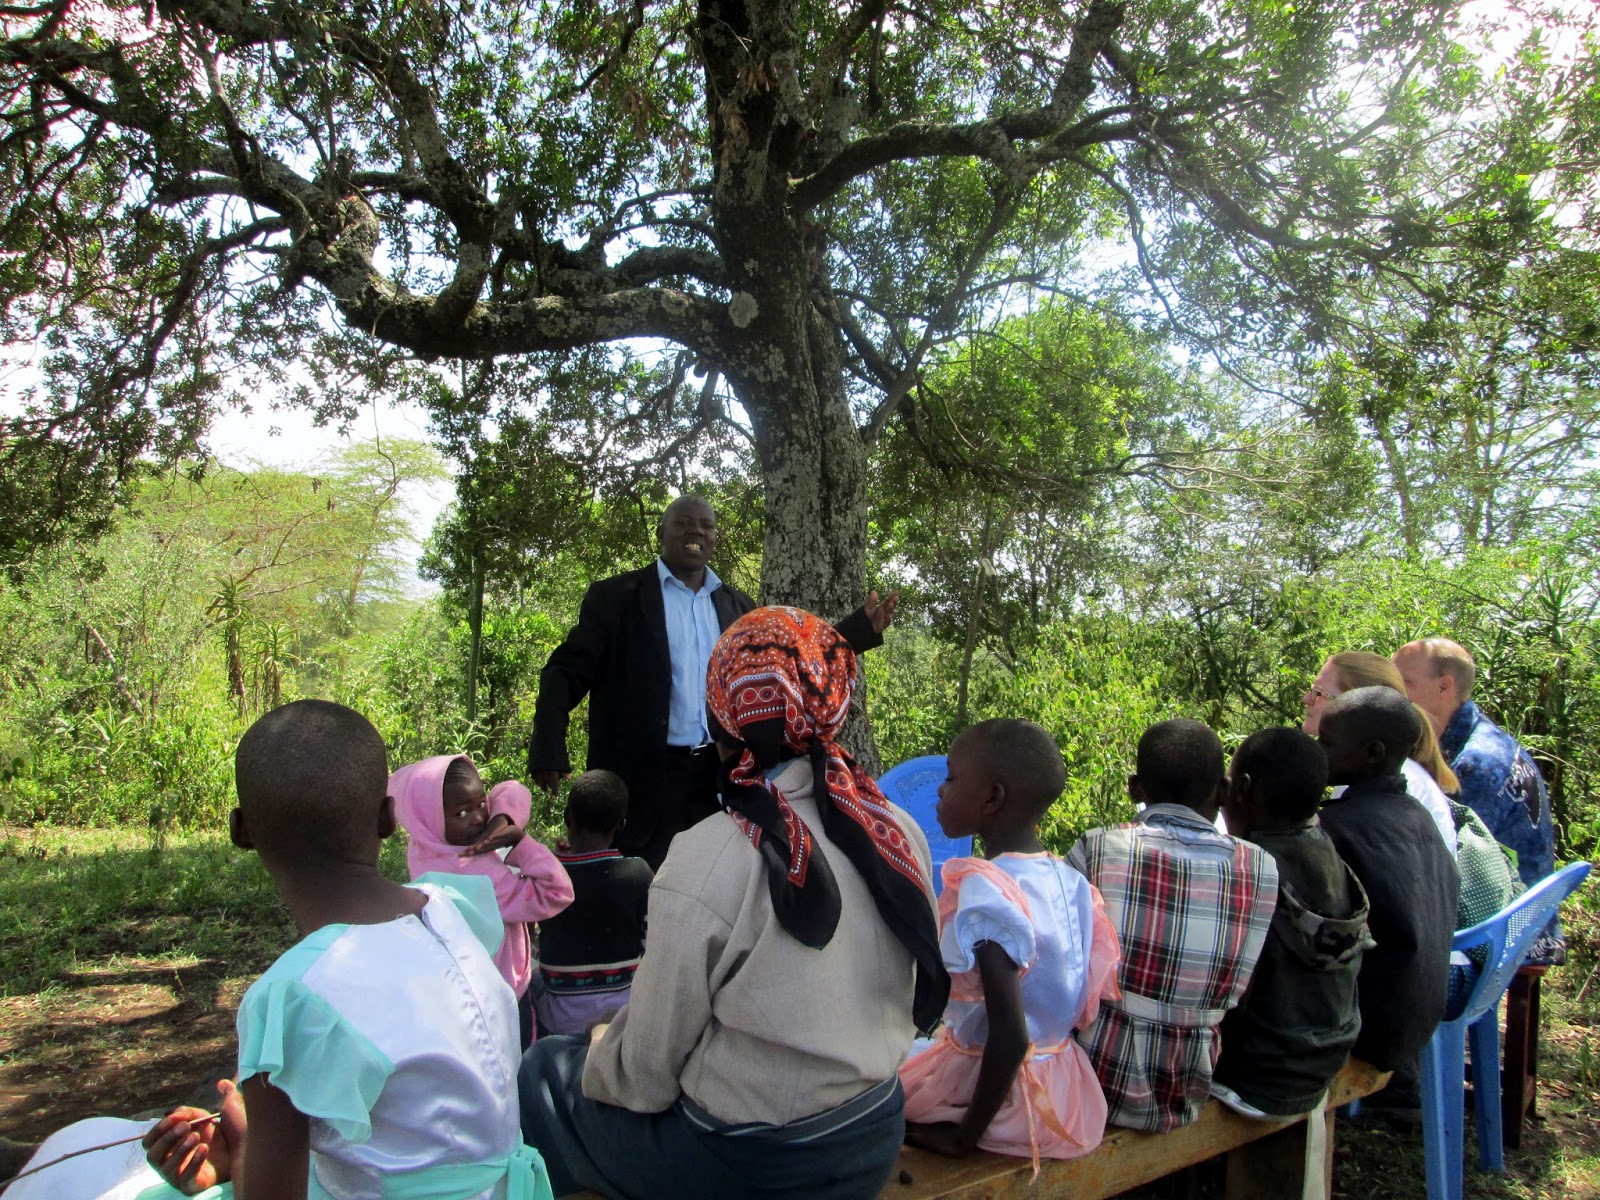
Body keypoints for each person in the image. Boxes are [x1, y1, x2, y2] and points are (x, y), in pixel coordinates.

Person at [7, 699, 552, 1200]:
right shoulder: (453, 906)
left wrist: (243, 1146)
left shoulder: (294, 997)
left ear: (241, 832)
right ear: (388, 820)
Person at [519, 606, 948, 1200]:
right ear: (832, 705)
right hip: (871, 1132)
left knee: (543, 1071)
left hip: (753, 1166)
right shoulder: (894, 830)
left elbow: (643, 1077)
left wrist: (596, 1056)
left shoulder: (708, 856)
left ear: (723, 718)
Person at [528, 494, 897, 868]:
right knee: (637, 902)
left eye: (706, 526)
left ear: (715, 538)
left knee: (706, 892)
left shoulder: (738, 609)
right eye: (684, 524)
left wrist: (852, 635)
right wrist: (548, 745)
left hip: (718, 780)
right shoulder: (616, 598)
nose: (695, 532)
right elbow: (564, 672)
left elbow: (786, 668)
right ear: (661, 532)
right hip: (637, 784)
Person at [899, 719, 1121, 1169]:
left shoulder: (988, 891)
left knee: (874, 1100)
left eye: (951, 778)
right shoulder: (1070, 880)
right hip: (1063, 1089)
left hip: (1004, 1099)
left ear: (991, 797)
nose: (941, 791)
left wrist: (964, 1138)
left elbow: (1012, 1036)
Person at [1068, 718, 1280, 1133]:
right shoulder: (1260, 866)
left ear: (1135, 788)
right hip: (1191, 1080)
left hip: (1096, 1073)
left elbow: (1065, 964)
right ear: (1223, 791)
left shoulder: (1098, 847)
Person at [1211, 727, 1370, 1121]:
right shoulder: (1329, 853)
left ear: (1242, 790)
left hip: (1255, 1081)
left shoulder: (1246, 871)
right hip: (1326, 1061)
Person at [1315, 688, 1460, 1098]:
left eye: (1327, 742)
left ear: (1373, 752)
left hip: (1370, 1027)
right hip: (1417, 1019)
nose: (1318, 750)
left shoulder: (1336, 829)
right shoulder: (1419, 819)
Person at [390, 754, 575, 1047]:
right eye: (462, 813)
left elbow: (511, 789)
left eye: (480, 804)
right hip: (504, 989)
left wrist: (499, 817)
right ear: (430, 816)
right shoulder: (479, 875)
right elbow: (557, 892)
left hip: (462, 987)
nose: (478, 817)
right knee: (518, 1060)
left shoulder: (426, 845)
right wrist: (519, 841)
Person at [1394, 637, 1561, 961]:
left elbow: (1449, 866)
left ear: (1444, 686)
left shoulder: (1477, 762)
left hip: (1508, 930)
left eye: (1405, 683)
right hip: (1507, 912)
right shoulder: (1468, 739)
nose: (1394, 694)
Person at [1302, 650, 1459, 854]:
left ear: (1359, 701)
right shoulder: (1369, 775)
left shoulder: (1397, 790)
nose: (1307, 698)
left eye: (1318, 693)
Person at [535, 770, 654, 1037]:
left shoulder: (548, 874)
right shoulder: (638, 874)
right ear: (621, 825)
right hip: (623, 1019)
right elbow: (651, 945)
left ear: (568, 819)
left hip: (558, 1022)